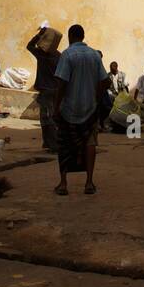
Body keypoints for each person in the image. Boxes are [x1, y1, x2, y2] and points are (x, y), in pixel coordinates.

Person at [52, 24, 108, 195]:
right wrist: (96, 98)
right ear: (83, 37)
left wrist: (56, 107)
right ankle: (89, 183)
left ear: (70, 37)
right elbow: (105, 81)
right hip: (89, 110)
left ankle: (63, 184)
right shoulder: (94, 55)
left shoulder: (67, 55)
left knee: (64, 145)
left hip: (69, 109)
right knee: (90, 143)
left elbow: (61, 83)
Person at [27, 24, 62, 152]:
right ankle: (48, 142)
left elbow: (29, 46)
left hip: (46, 90)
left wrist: (40, 35)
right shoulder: (59, 55)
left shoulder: (42, 54)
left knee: (47, 117)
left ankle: (53, 144)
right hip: (56, 90)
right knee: (49, 116)